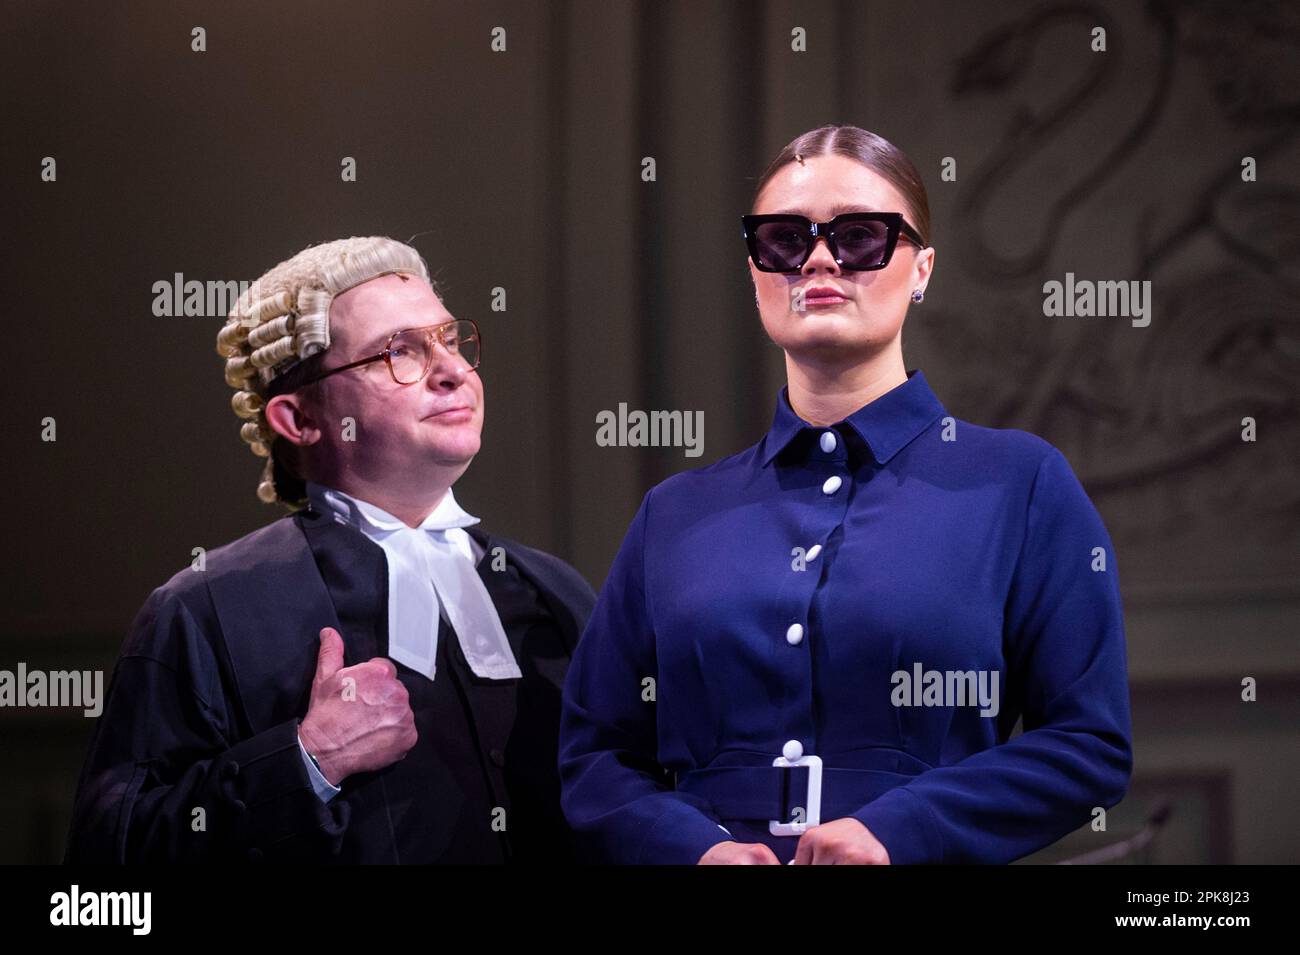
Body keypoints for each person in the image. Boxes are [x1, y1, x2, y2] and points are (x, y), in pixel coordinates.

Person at [558, 126, 1133, 865]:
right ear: (754, 269)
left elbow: (1088, 743)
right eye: (784, 239)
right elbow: (594, 753)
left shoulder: (1019, 484)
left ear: (922, 267)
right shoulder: (674, 512)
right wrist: (694, 849)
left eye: (860, 236)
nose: (819, 259)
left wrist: (899, 831)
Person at [65, 236, 596, 863]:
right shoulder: (205, 609)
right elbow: (107, 870)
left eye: (450, 340)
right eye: (398, 352)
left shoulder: (553, 592)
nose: (453, 370)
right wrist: (307, 761)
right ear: (299, 419)